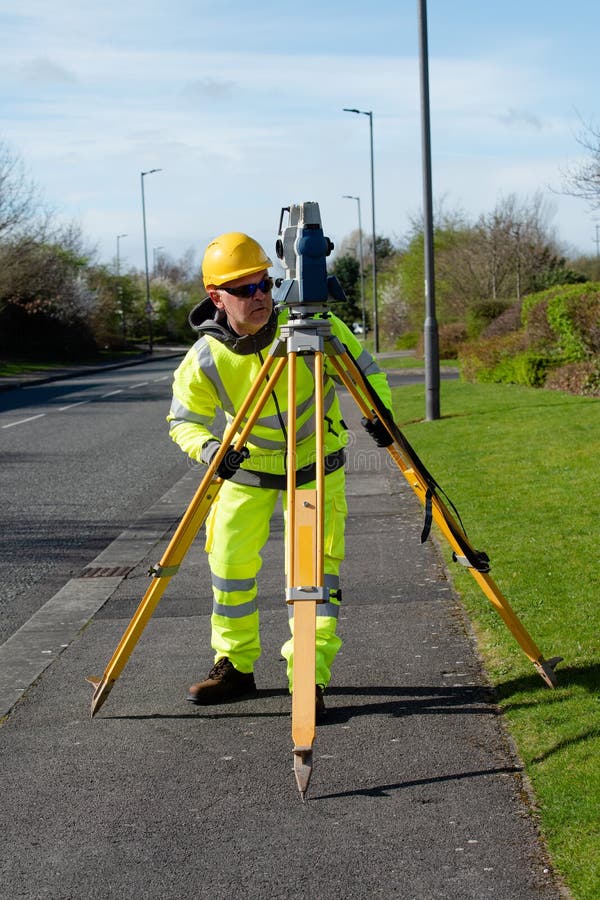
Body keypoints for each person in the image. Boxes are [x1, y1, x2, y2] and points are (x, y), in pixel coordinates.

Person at [167, 231, 393, 718]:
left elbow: (369, 372)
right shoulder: (205, 356)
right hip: (244, 474)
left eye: (265, 284)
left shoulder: (314, 328)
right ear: (216, 298)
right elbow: (183, 419)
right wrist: (208, 450)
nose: (260, 297)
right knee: (228, 571)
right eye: (245, 289)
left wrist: (382, 413)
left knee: (311, 580)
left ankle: (307, 678)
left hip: (313, 471)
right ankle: (235, 666)